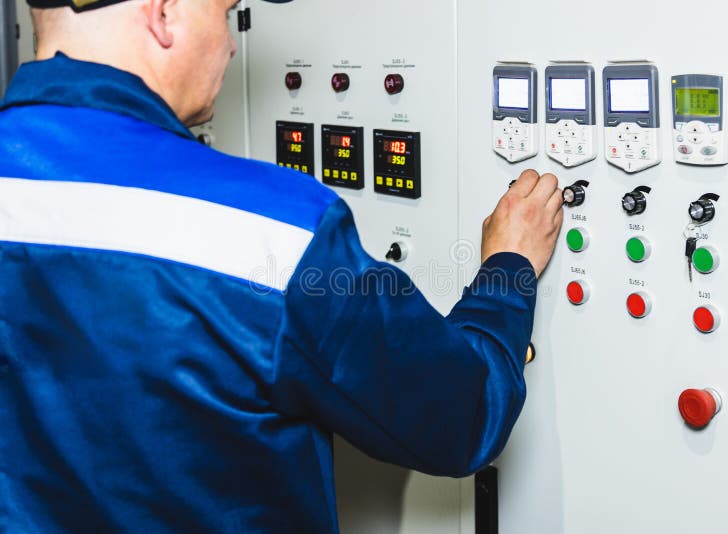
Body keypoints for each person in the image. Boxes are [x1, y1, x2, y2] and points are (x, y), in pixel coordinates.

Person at [0, 0, 563, 532]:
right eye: (225, 13)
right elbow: (461, 415)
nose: (231, 44)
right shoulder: (270, 232)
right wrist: (507, 270)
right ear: (164, 13)